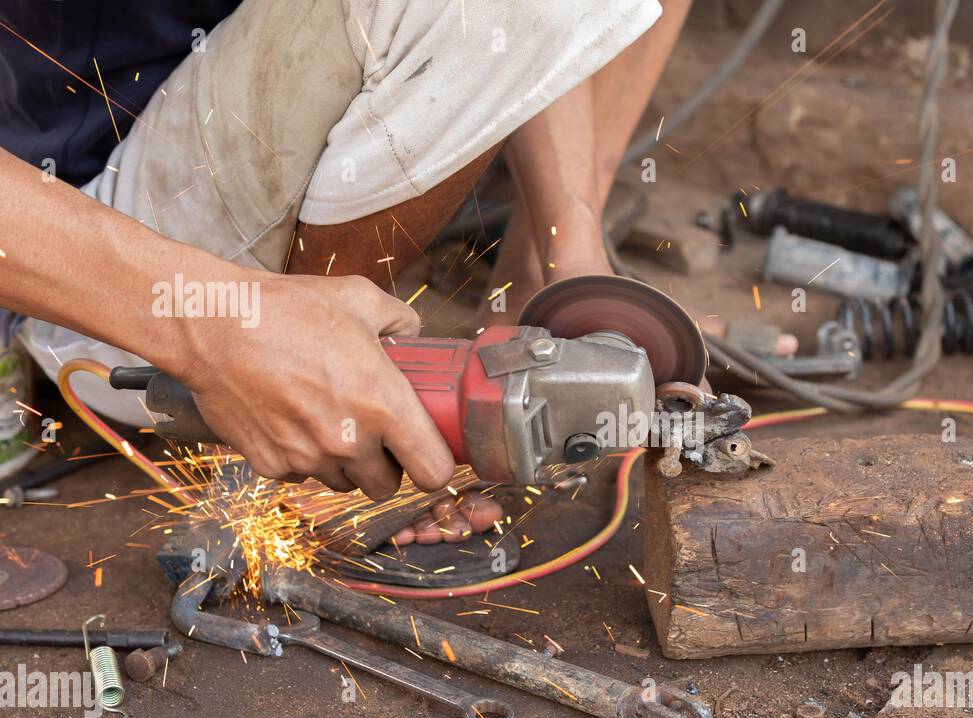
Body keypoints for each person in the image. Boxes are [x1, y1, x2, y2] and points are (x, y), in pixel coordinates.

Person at [0, 0, 788, 544]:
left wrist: (571, 261)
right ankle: (312, 440)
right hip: (78, 267)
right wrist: (221, 328)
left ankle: (510, 303)